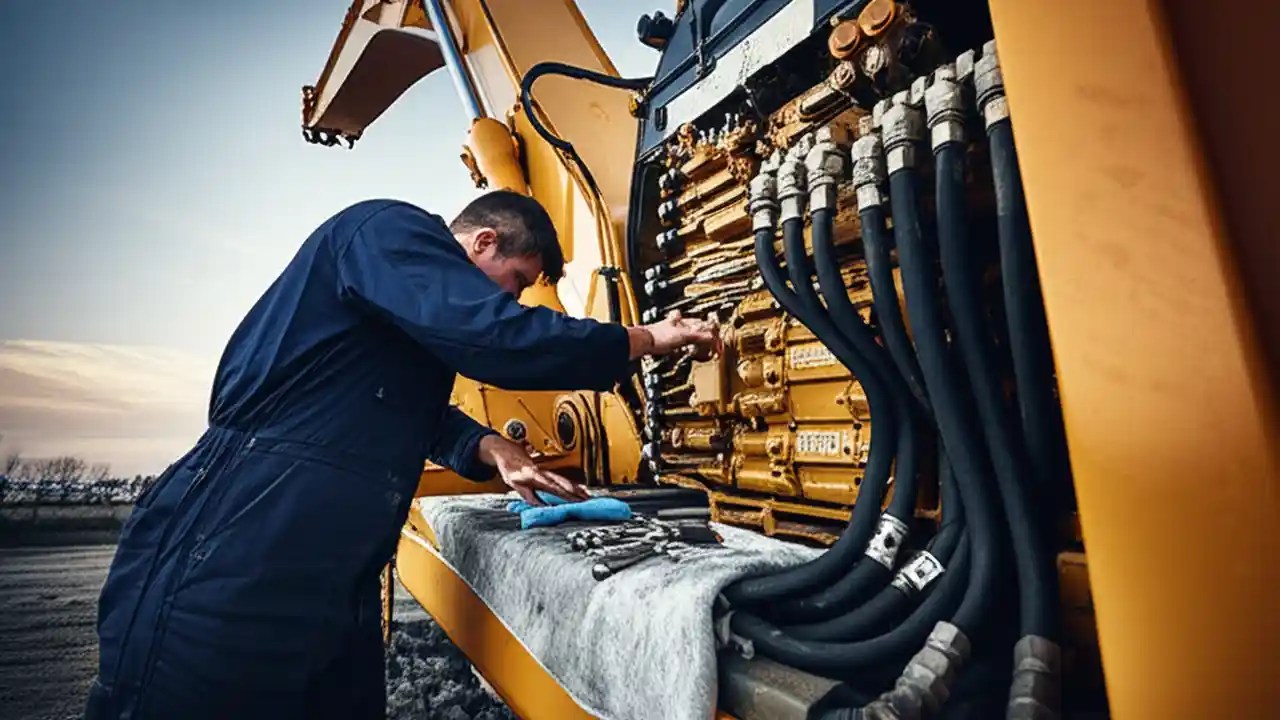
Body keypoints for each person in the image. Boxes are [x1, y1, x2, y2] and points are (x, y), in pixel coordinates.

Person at [84, 192, 717, 719]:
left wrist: (489, 445)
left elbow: (397, 404)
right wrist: (644, 338)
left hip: (333, 577)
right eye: (518, 282)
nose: (516, 300)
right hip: (239, 545)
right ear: (483, 243)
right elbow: (495, 337)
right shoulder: (387, 228)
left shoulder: (404, 317)